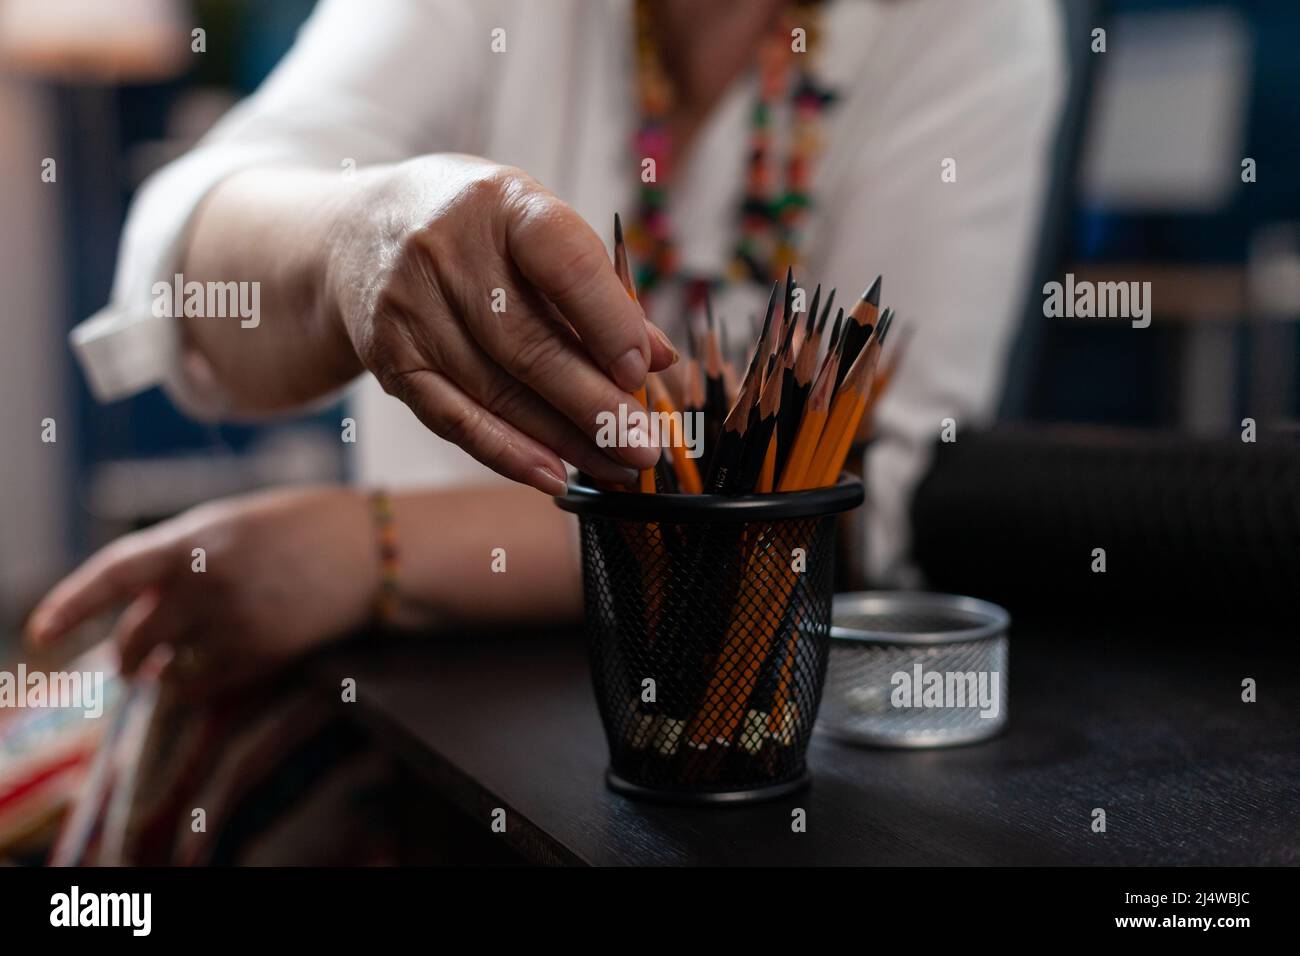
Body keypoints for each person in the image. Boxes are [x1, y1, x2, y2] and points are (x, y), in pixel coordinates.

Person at [30, 0, 1065, 697]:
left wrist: (371, 550)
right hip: (427, 700)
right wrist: (358, 236)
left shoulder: (977, 28)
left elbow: (869, 494)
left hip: (757, 701)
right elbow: (178, 262)